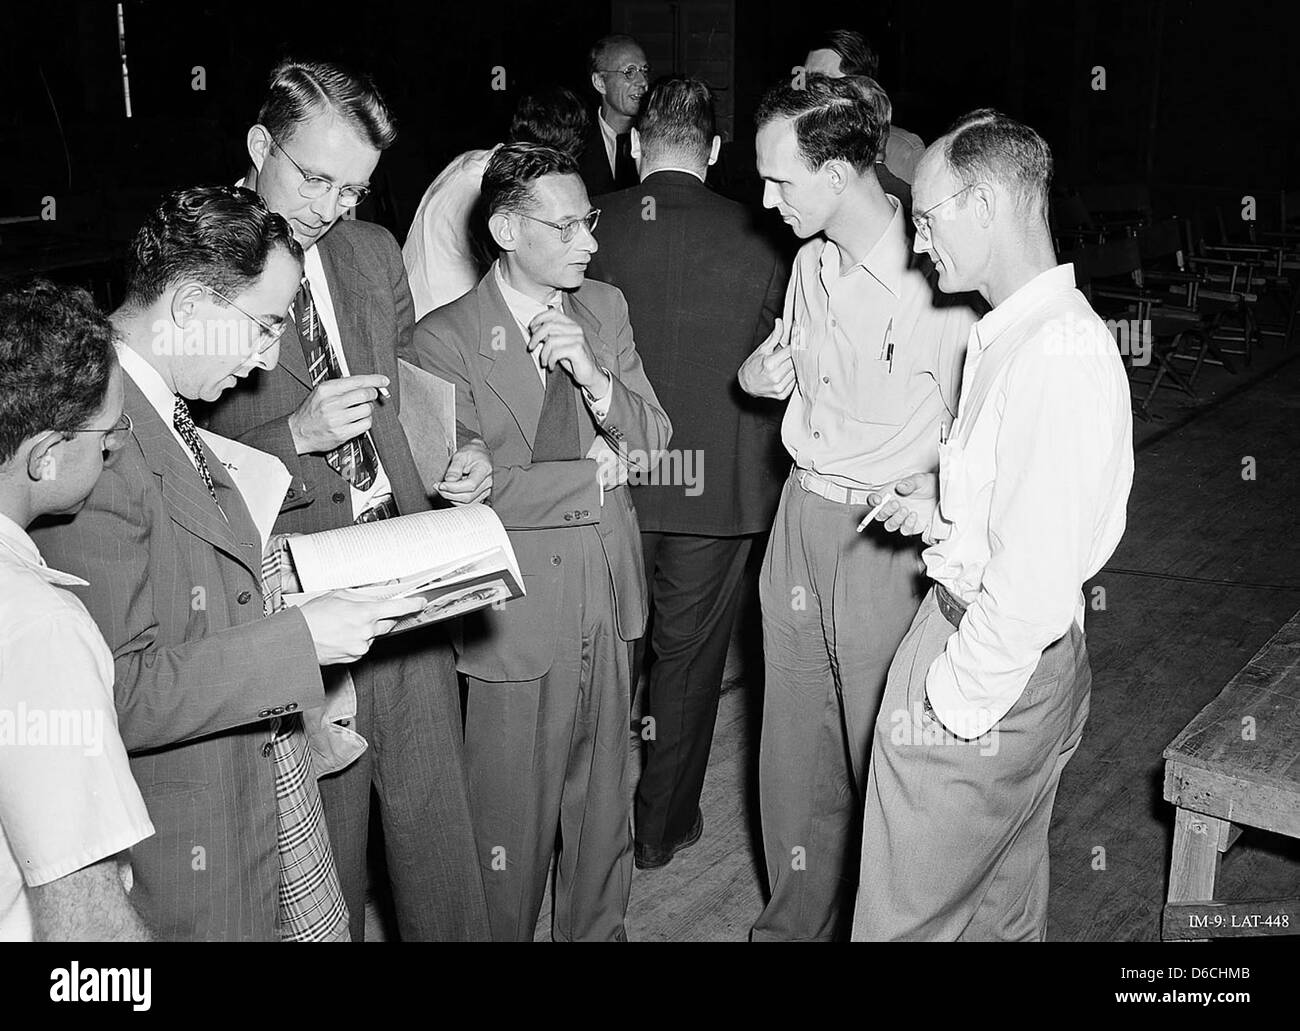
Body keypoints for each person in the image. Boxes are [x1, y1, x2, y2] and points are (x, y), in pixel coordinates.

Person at [33, 186, 420, 941]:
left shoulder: (158, 403)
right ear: (186, 305)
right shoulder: (95, 442)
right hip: (186, 852)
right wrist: (299, 642)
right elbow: (118, 691)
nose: (270, 356)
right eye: (264, 324)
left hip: (245, 807)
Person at [201, 58, 491, 942]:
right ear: (260, 146)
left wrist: (461, 453)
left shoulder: (369, 252)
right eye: (314, 178)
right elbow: (170, 466)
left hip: (401, 577)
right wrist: (294, 437)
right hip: (288, 597)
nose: (329, 207)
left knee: (442, 847)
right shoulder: (197, 258)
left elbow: (412, 392)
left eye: (352, 189)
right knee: (324, 859)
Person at [851, 110, 1134, 941]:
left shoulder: (1055, 353)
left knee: (900, 924)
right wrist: (945, 507)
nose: (919, 244)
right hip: (1022, 669)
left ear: (983, 206)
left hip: (984, 669)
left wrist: (950, 700)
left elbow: (1033, 584)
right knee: (999, 920)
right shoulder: (1023, 333)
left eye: (930, 219)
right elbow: (1030, 512)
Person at [404, 143, 671, 940]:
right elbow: (459, 497)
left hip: (612, 591)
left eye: (590, 220)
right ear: (507, 230)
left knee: (602, 815)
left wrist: (595, 377)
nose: (591, 241)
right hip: (516, 613)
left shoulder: (606, 309)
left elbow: (654, 440)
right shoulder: (441, 340)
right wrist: (587, 478)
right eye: (569, 227)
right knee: (507, 832)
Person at [738, 74, 979, 941]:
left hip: (885, 538)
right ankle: (790, 927)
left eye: (779, 181)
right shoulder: (807, 262)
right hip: (800, 519)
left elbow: (983, 440)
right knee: (792, 757)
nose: (764, 201)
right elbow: (785, 374)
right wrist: (754, 380)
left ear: (839, 175)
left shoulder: (938, 281)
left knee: (882, 753)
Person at [586, 77, 788, 870]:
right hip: (718, 493)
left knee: (605, 665)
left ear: (637, 144)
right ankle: (661, 829)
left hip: (607, 485)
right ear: (713, 150)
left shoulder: (585, 223)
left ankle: (590, 830)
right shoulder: (766, 233)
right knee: (687, 669)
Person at [0, 279, 154, 941]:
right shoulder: (42, 628)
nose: (116, 445)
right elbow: (84, 923)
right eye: (107, 435)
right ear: (46, 457)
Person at [403, 86, 590, 319]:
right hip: (438, 314)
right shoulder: (488, 192)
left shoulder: (473, 160)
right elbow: (513, 277)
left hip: (416, 298)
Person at [804, 28, 926, 185]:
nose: (808, 92)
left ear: (860, 88)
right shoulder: (794, 146)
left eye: (821, 82)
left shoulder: (904, 152)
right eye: (806, 80)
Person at [579, 33, 649, 196]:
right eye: (629, 72)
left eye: (644, 71)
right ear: (600, 83)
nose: (643, 82)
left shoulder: (655, 141)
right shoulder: (576, 143)